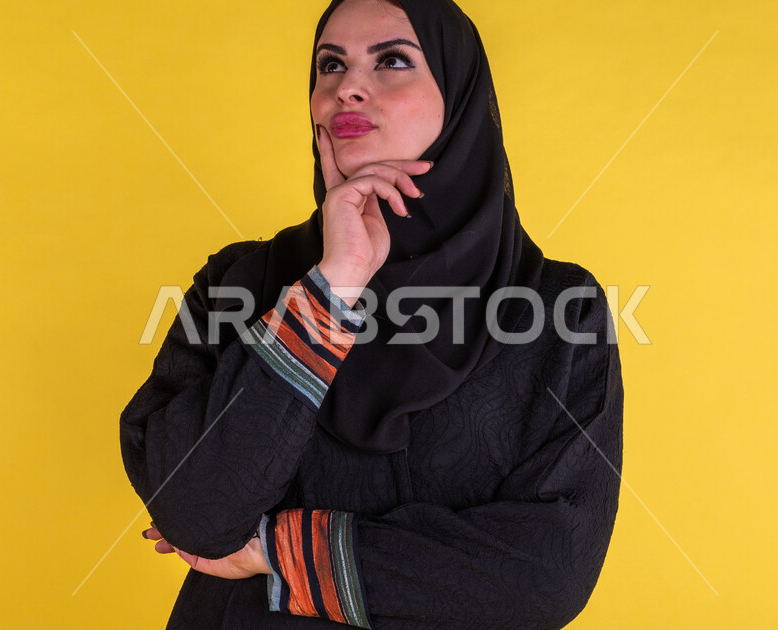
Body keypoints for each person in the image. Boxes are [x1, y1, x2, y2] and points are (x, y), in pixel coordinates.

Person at [119, 0, 624, 628]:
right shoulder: (238, 284)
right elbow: (195, 513)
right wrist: (335, 284)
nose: (347, 88)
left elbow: (548, 573)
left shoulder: (556, 312)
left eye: (391, 61)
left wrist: (275, 550)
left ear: (458, 97)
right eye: (330, 66)